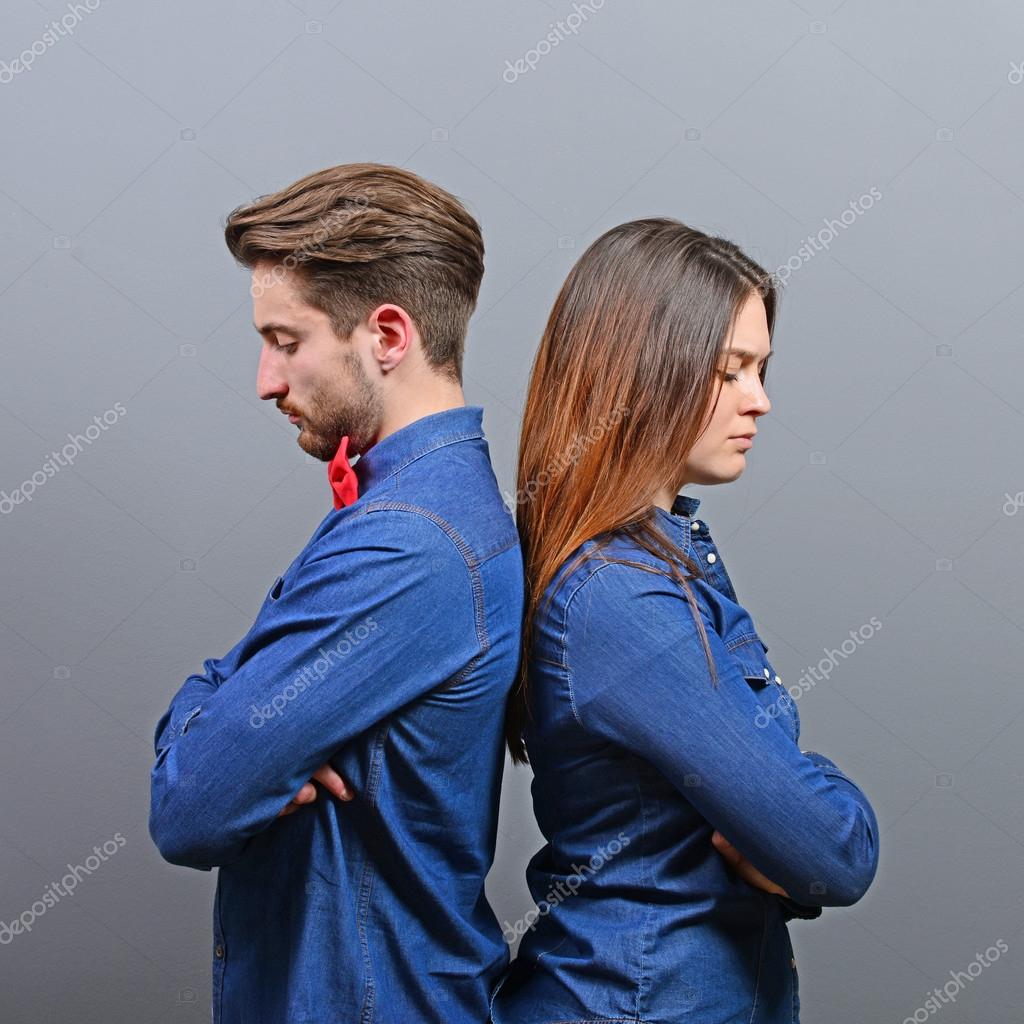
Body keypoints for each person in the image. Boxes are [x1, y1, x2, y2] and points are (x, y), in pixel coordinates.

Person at [148, 162, 524, 1023]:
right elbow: (216, 772)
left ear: (387, 336)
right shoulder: (408, 516)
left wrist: (214, 713)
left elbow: (190, 806)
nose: (265, 381)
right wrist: (236, 721)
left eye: (286, 341)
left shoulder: (411, 546)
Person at [490, 218, 879, 1023]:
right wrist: (817, 815)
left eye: (762, 368)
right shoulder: (619, 597)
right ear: (640, 370)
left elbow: (793, 843)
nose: (761, 400)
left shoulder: (663, 555)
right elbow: (832, 853)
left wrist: (785, 836)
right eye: (730, 370)